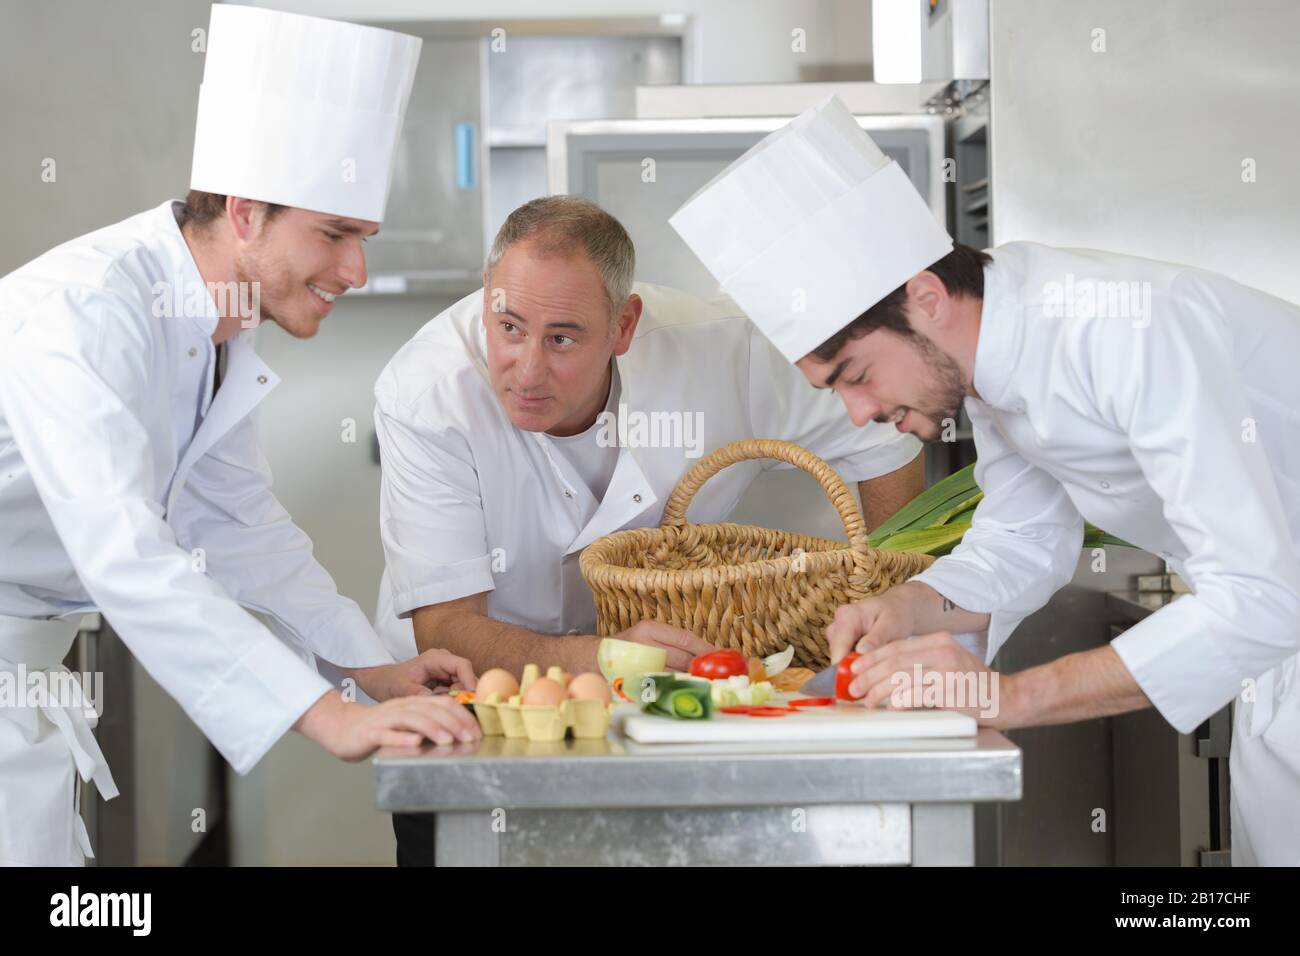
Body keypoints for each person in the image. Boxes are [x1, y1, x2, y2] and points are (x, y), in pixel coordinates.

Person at [670, 94, 1300, 866]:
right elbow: (1022, 539)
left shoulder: (1128, 330)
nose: (859, 412)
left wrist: (1007, 697)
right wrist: (909, 604)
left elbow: (1260, 595)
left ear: (925, 299)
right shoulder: (992, 363)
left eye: (856, 375)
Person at [0, 5, 478, 867]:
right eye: (334, 235)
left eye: (362, 240)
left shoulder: (223, 331)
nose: (355, 272)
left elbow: (239, 526)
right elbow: (126, 550)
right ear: (248, 212)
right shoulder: (87, 312)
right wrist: (330, 717)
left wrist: (367, 670)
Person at [373, 195, 925, 863]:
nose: (527, 369)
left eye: (564, 338)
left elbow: (880, 434)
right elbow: (445, 627)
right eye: (509, 327)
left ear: (624, 325)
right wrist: (607, 660)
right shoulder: (426, 391)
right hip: (471, 700)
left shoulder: (721, 354)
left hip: (660, 708)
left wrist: (899, 606)